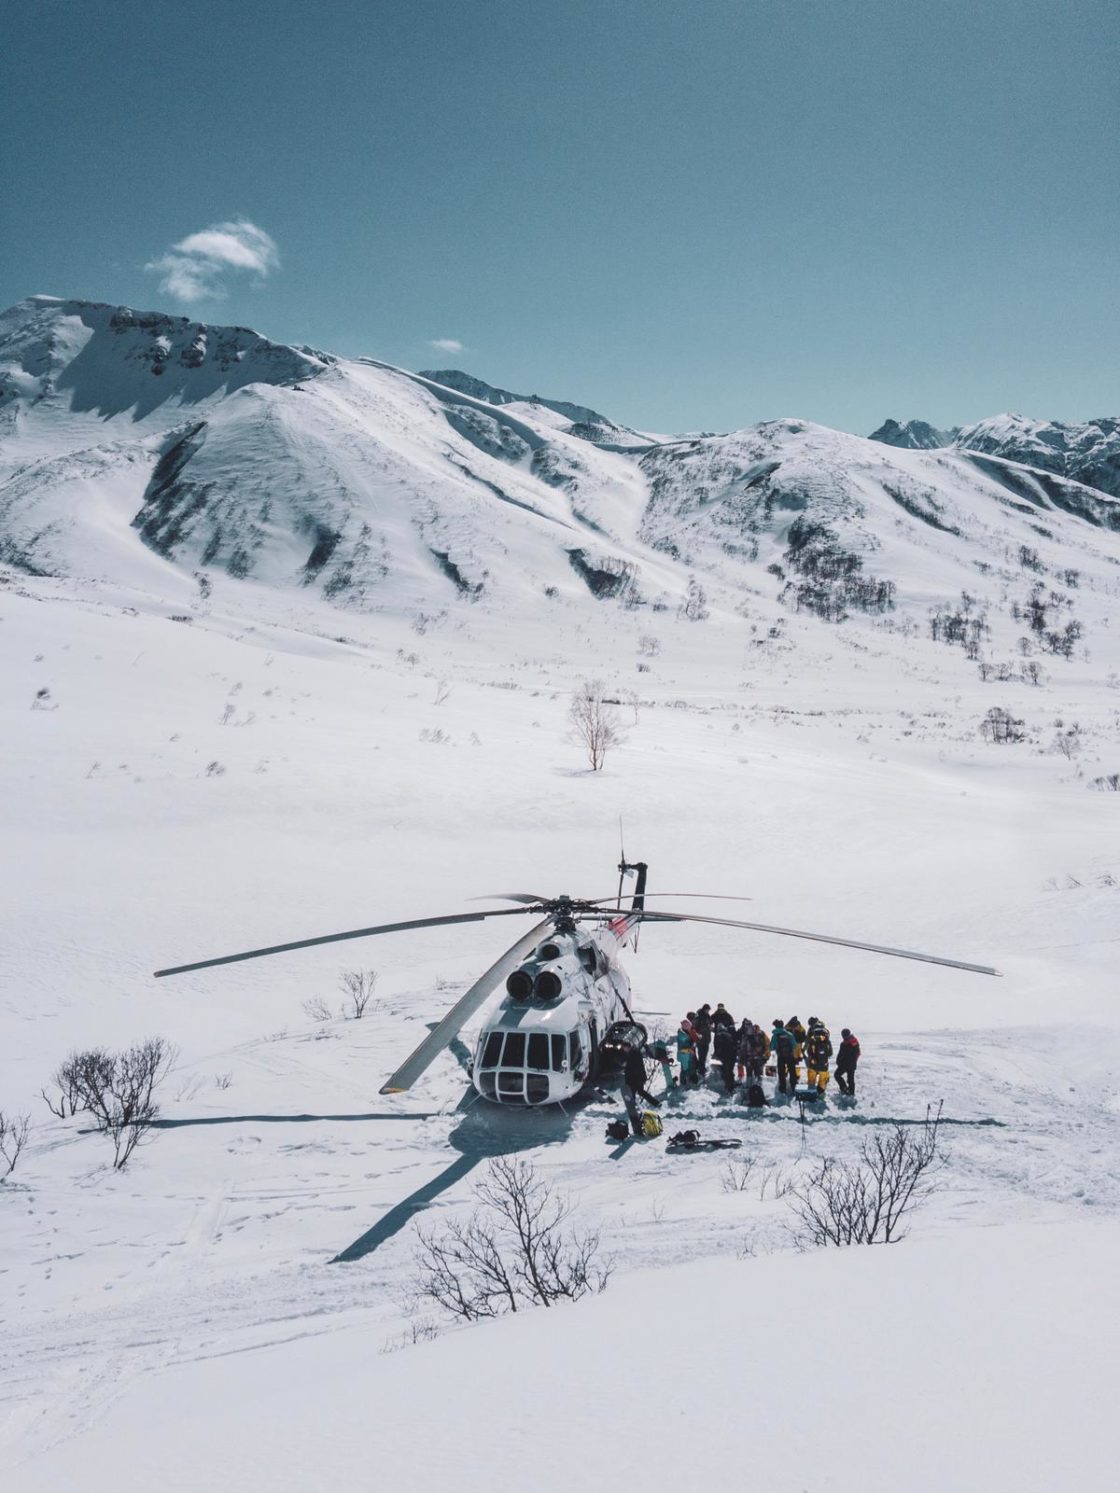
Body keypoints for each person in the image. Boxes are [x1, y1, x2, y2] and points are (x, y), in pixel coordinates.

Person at [621, 1044, 659, 1136]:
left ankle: (654, 1103)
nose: (624, 1049)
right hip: (635, 1078)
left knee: (638, 1092)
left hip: (636, 1078)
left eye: (625, 1047)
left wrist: (626, 1065)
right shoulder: (632, 1053)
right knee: (637, 1092)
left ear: (628, 1047)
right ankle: (653, 1103)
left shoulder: (634, 1054)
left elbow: (634, 1067)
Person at [805, 1017, 833, 1096]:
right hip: (824, 1064)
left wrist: (812, 1057)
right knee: (822, 1080)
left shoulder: (812, 1039)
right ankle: (821, 1093)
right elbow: (830, 1053)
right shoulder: (827, 1041)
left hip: (813, 1064)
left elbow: (809, 1052)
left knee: (811, 1080)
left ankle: (811, 1093)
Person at [771, 1019, 798, 1095]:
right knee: (792, 1072)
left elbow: (772, 1047)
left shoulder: (775, 1035)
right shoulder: (789, 1034)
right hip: (790, 1056)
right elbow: (795, 1045)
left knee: (781, 1073)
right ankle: (793, 1087)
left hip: (781, 1056)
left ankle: (782, 1089)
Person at [712, 1020, 738, 1095]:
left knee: (724, 1071)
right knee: (730, 1070)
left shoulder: (718, 1035)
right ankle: (731, 1085)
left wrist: (715, 1055)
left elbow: (716, 1046)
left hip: (723, 1055)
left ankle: (728, 1087)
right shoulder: (729, 1034)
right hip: (732, 1054)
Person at [835, 1028, 861, 1096]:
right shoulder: (855, 1042)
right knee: (850, 1079)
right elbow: (858, 1053)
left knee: (837, 1075)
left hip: (844, 1064)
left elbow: (841, 1055)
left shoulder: (844, 1044)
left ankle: (844, 1088)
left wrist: (838, 1062)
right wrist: (854, 1060)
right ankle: (851, 1092)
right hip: (852, 1064)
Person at [676, 1018, 698, 1087]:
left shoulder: (685, 1034)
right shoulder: (682, 1036)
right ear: (686, 1027)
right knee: (686, 1069)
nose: (690, 1028)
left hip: (687, 1054)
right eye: (689, 1027)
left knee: (688, 1068)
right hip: (685, 1055)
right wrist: (690, 1050)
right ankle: (685, 1083)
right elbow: (681, 1048)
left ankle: (687, 1082)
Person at [693, 1003, 713, 1078]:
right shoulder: (699, 1016)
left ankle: (701, 1068)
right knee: (701, 1055)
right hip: (700, 1039)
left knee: (704, 1055)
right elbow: (694, 1026)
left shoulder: (707, 1016)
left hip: (706, 1039)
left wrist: (710, 1026)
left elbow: (711, 1022)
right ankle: (701, 1070)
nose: (708, 1011)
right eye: (707, 1010)